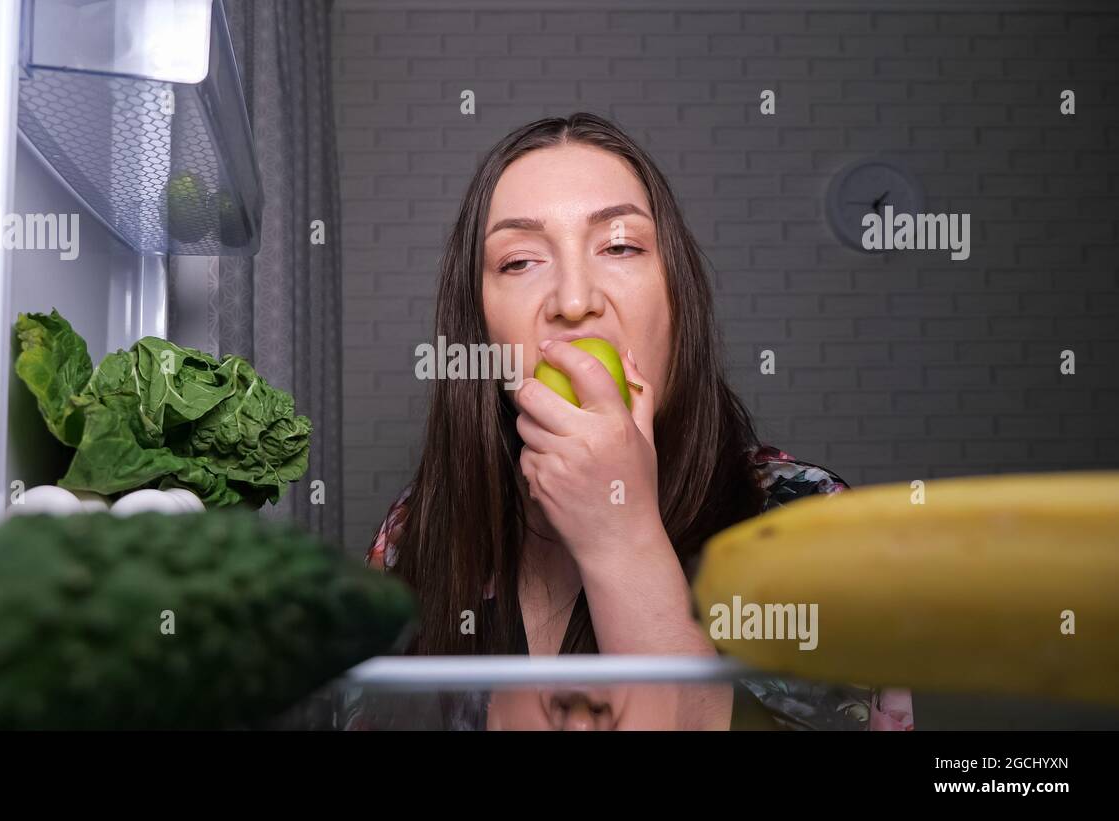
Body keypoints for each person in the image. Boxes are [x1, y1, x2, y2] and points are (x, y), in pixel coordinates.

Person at [347, 112, 914, 731]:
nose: (573, 302)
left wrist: (620, 538)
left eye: (620, 246)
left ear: (677, 298)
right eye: (519, 261)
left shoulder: (809, 527)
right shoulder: (418, 530)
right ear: (480, 328)